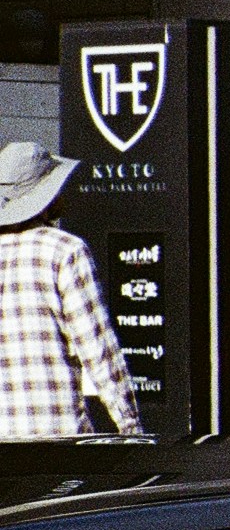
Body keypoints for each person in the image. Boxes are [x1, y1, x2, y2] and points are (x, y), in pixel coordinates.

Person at [0, 140, 140, 439]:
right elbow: (99, 349)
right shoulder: (64, 250)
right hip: (54, 437)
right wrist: (130, 428)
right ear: (47, 196)